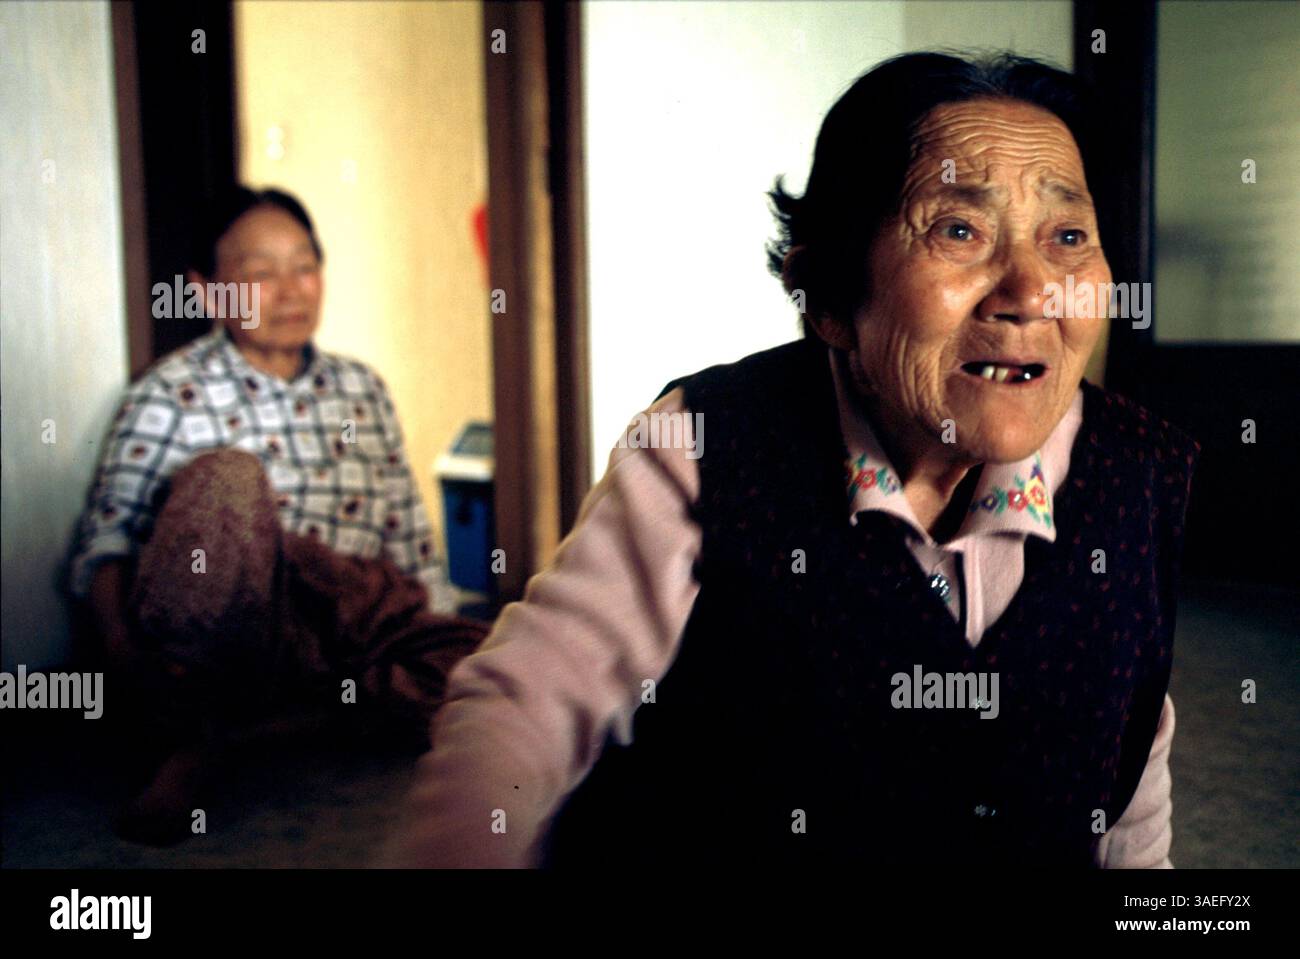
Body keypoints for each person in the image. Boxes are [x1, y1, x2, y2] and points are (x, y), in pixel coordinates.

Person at [378, 53, 1199, 868]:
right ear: (831, 300)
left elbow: (1127, 757)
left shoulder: (1135, 469)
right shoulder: (705, 442)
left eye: (1067, 236)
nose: (1031, 289)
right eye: (960, 229)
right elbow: (534, 704)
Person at [69, 186, 489, 845]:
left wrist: (439, 630)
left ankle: (239, 734)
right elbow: (109, 542)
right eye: (259, 273)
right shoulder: (170, 391)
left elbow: (408, 535)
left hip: (349, 616)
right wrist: (124, 659)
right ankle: (222, 724)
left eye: (303, 265)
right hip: (240, 617)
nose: (290, 290)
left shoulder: (363, 389)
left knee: (491, 667)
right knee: (228, 480)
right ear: (209, 293)